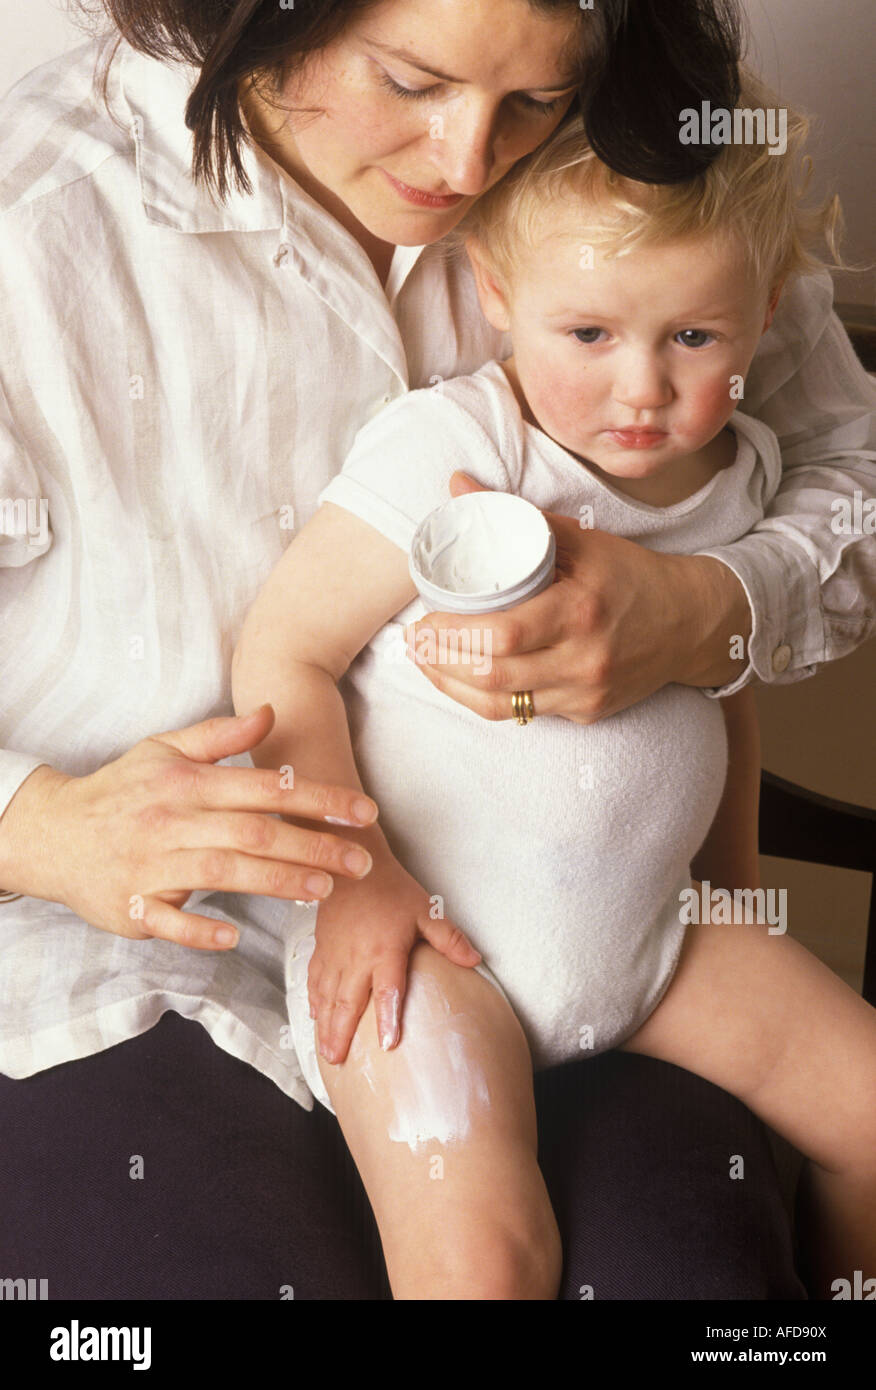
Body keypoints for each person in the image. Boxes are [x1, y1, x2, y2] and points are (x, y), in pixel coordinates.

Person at [0, 0, 872, 1299]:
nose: (469, 165)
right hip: (140, 953)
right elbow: (286, 650)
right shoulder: (35, 222)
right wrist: (37, 827)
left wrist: (704, 609)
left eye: (535, 101)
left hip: (620, 924)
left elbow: (840, 480)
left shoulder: (648, 130)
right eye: (411, 80)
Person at [231, 68, 876, 1299]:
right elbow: (281, 656)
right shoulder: (456, 446)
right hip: (433, 943)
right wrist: (361, 889)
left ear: (765, 311)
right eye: (590, 335)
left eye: (696, 336)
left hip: (650, 944)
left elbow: (720, 682)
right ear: (499, 297)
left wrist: (737, 894)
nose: (644, 391)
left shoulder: (737, 470)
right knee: (482, 1261)